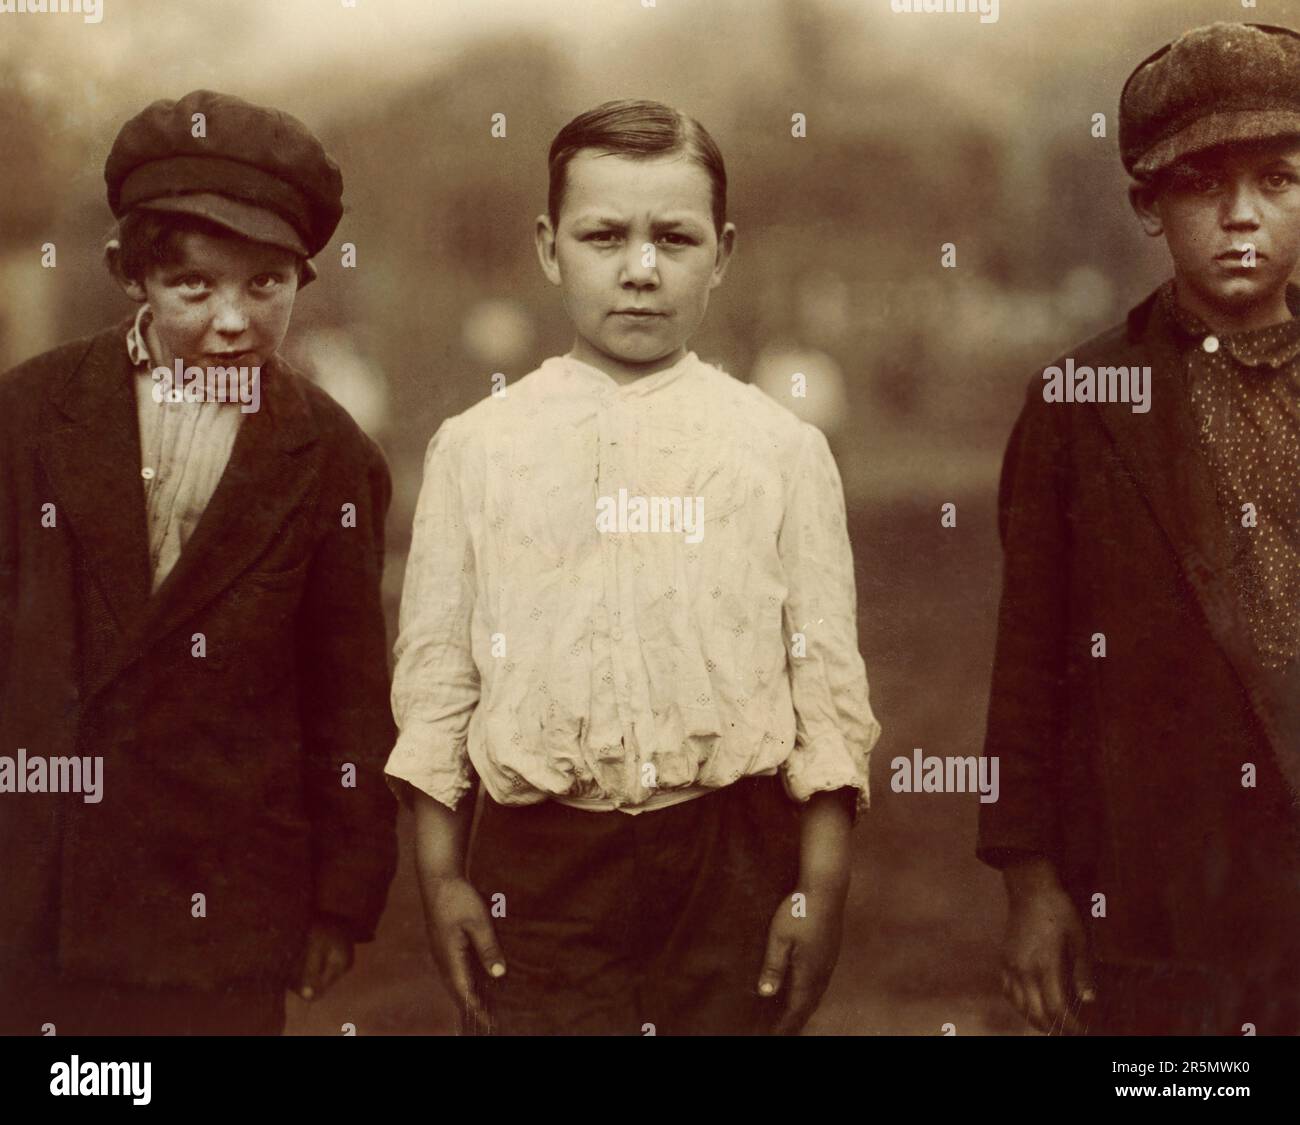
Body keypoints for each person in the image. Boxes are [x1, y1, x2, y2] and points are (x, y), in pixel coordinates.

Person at [386, 98, 881, 1035]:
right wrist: (443, 878)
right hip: (535, 871)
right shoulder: (477, 449)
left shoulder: (779, 449)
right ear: (548, 247)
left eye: (676, 239)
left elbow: (825, 688)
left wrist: (819, 884)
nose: (641, 271)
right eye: (604, 236)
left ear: (723, 254)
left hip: (728, 863)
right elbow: (439, 682)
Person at [0, 90, 398, 1035]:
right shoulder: (26, 417)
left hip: (223, 895)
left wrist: (340, 896)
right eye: (195, 288)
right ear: (128, 275)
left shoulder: (331, 455)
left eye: (266, 285)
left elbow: (347, 689)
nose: (233, 321)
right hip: (36, 886)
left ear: (304, 278)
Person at [980, 23, 1300, 1036]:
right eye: (1201, 184)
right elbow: (1028, 660)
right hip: (1164, 887)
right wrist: (1031, 885)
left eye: (1278, 178)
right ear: (1147, 207)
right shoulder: (1081, 403)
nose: (1241, 216)